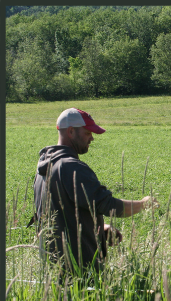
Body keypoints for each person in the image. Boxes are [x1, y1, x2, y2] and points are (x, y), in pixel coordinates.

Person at [29, 108, 158, 274]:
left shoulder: (44, 167)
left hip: (52, 267)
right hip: (79, 267)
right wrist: (144, 204)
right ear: (70, 131)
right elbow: (109, 206)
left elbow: (62, 211)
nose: (92, 138)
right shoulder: (71, 166)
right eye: (88, 132)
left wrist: (99, 226)